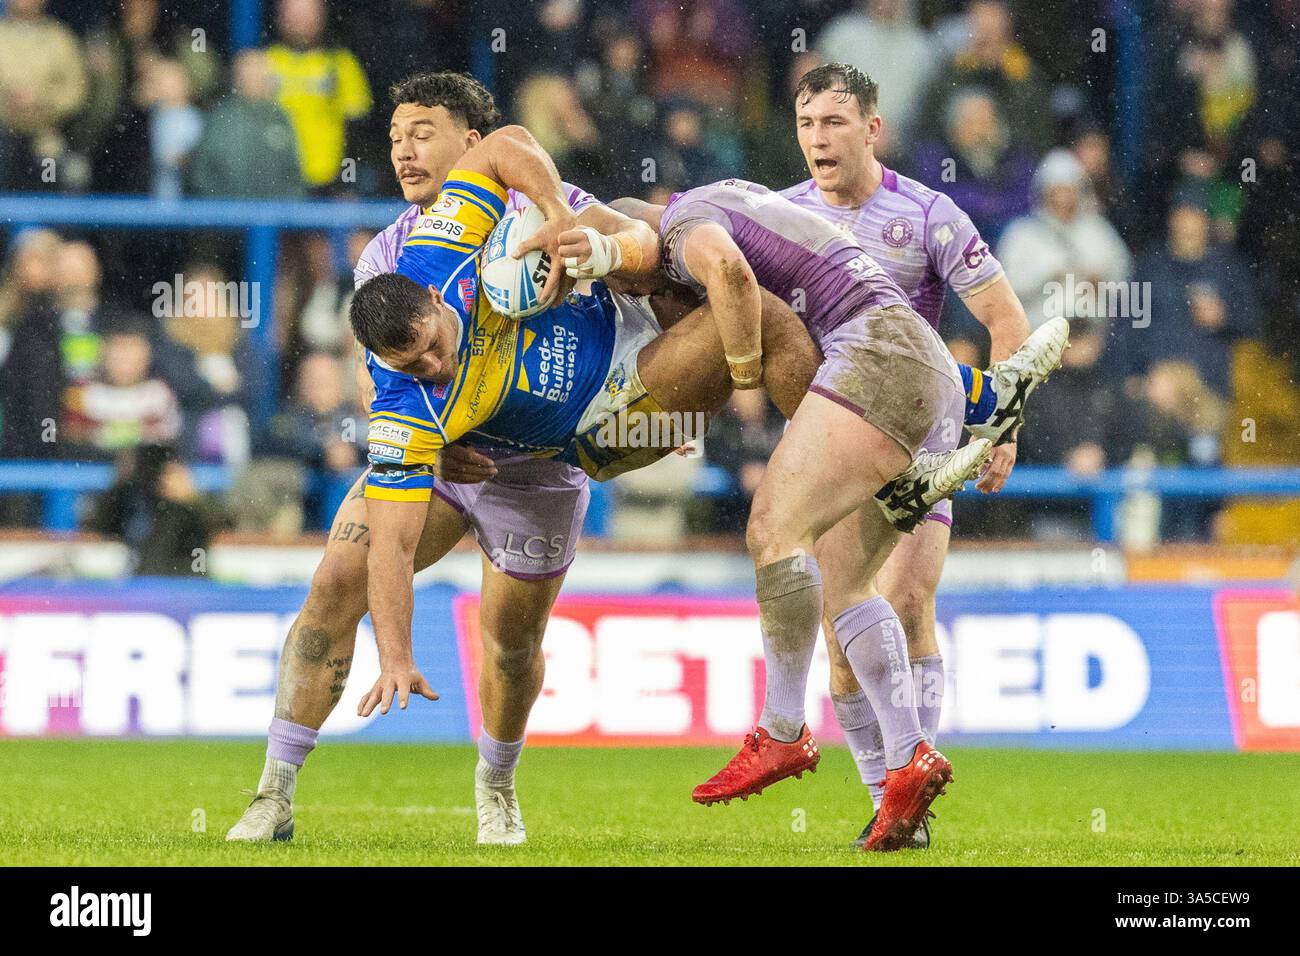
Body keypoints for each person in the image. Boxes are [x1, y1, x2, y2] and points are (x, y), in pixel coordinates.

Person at [227, 72, 613, 847]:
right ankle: (273, 794)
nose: (404, 149)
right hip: (438, 464)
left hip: (534, 466)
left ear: (472, 145)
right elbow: (386, 382)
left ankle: (496, 784)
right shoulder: (385, 260)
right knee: (335, 584)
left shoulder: (545, 202)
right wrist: (443, 444)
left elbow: (619, 279)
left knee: (510, 649)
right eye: (395, 136)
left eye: (423, 131)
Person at [774, 62, 1039, 847]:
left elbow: (1007, 320)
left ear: (872, 128)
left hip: (919, 444)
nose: (818, 139)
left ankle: (907, 796)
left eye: (834, 123)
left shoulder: (928, 214)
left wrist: (1002, 427)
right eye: (806, 124)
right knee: (842, 638)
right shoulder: (779, 216)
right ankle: (893, 801)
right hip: (824, 446)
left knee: (909, 601)